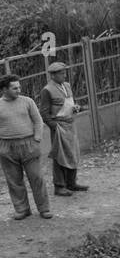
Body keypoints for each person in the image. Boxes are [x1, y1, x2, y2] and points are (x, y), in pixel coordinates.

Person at [0, 75, 52, 220]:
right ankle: (22, 209)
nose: (18, 90)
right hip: (6, 147)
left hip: (29, 144)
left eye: (19, 87)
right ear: (4, 89)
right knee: (14, 180)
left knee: (36, 177)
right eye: (14, 88)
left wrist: (37, 139)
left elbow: (38, 121)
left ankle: (44, 208)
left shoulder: (27, 101)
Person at [39, 60, 88, 196]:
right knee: (60, 155)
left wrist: (76, 108)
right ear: (53, 75)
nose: (64, 75)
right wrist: (54, 126)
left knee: (73, 152)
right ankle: (59, 186)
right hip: (59, 125)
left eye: (64, 72)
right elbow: (44, 112)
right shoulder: (47, 90)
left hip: (70, 124)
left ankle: (71, 183)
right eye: (61, 73)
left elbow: (68, 103)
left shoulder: (66, 85)